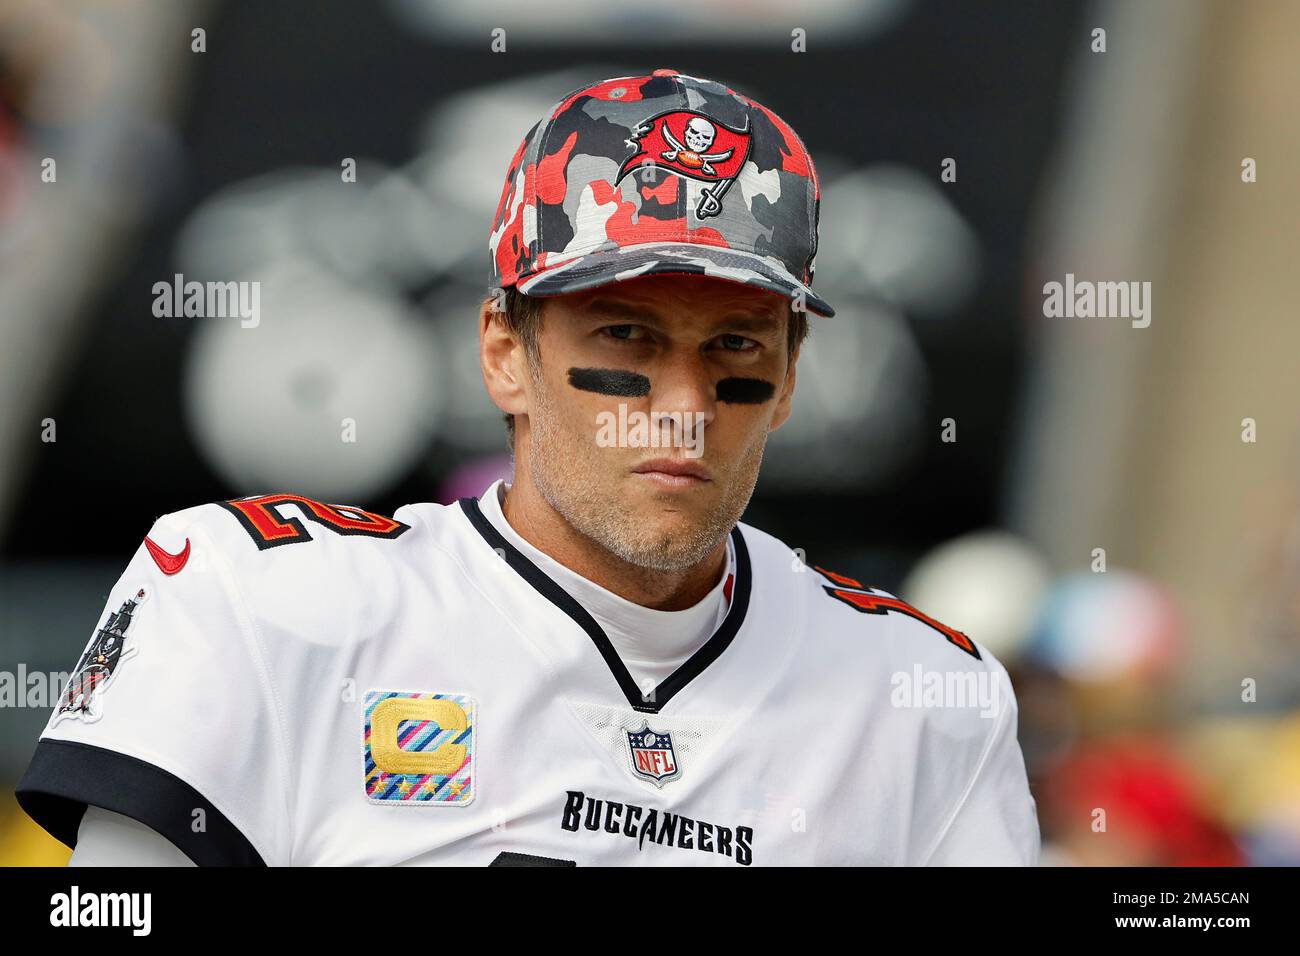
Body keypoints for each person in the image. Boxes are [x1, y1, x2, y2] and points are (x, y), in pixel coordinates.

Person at [18, 69, 1038, 865]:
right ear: (505, 351)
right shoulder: (263, 598)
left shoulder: (923, 694)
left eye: (732, 344)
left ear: (790, 373)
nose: (681, 409)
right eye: (628, 336)